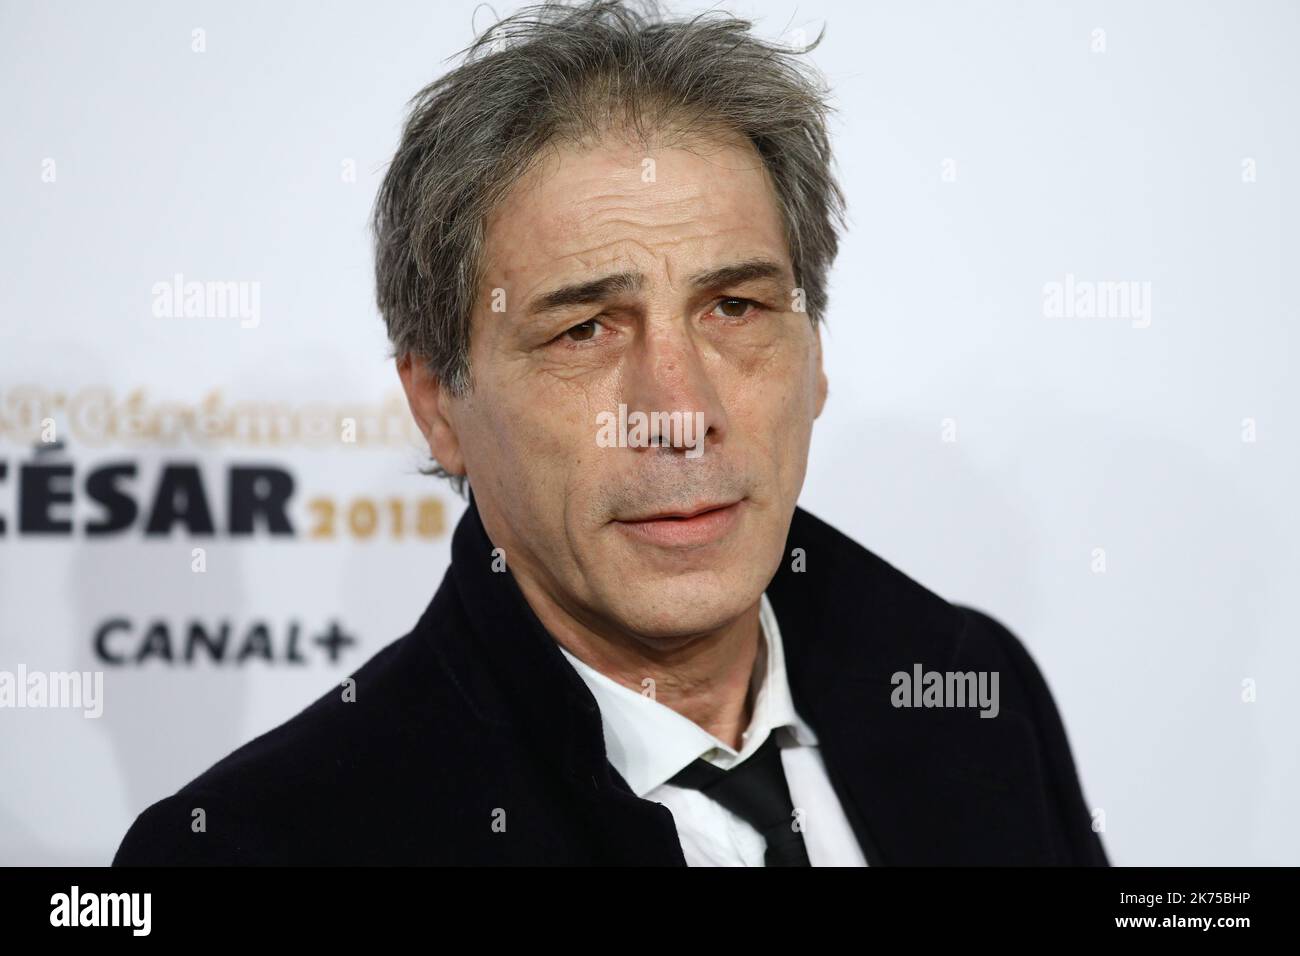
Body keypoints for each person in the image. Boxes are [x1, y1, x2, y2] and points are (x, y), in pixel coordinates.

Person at [113, 0, 1108, 866]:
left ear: (815, 357)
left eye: (735, 308)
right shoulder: (262, 848)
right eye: (584, 329)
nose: (678, 410)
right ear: (436, 403)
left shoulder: (971, 690)